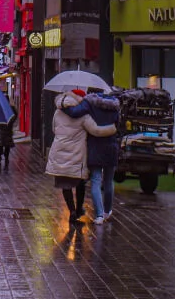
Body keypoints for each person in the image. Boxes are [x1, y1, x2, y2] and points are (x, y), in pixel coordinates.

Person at [47, 90, 116, 223]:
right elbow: (95, 130)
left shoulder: (58, 112)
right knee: (80, 182)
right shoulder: (84, 115)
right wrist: (112, 129)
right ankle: (79, 209)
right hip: (77, 153)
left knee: (65, 184)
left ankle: (72, 210)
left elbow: (54, 129)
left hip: (60, 151)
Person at [78, 92, 121, 224]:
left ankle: (99, 215)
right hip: (111, 147)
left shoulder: (90, 106)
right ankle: (107, 211)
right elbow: (118, 126)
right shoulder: (115, 109)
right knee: (108, 181)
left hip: (95, 147)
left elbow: (77, 113)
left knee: (96, 181)